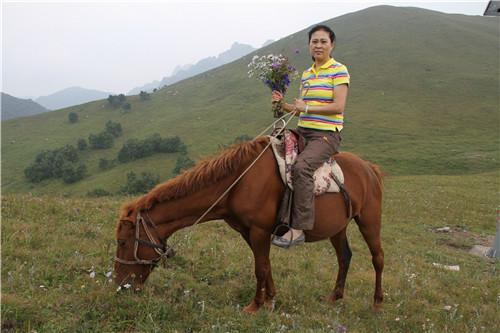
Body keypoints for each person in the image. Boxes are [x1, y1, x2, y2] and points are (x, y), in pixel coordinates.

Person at [271, 24, 350, 248]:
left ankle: (299, 229)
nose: (318, 45)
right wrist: (282, 104)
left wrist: (306, 108)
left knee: (301, 167)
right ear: (309, 46)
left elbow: (338, 106)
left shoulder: (339, 70)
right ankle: (277, 219)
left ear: (331, 45)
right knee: (275, 159)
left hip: (326, 135)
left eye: (323, 41)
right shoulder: (307, 74)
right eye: (314, 41)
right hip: (304, 131)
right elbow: (300, 108)